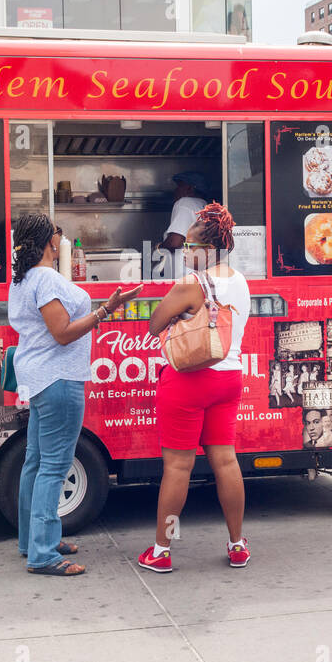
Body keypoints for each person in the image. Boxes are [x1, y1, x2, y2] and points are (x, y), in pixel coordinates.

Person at [9, 214, 139, 577]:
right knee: (53, 467)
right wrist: (105, 311)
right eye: (57, 233)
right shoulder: (46, 279)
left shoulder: (23, 278)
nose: (60, 237)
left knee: (36, 463)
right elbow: (62, 333)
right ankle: (44, 554)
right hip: (58, 379)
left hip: (40, 378)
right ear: (48, 242)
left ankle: (32, 540)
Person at [141, 203, 252, 572]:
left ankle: (161, 551)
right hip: (228, 379)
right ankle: (237, 544)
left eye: (190, 245)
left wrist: (174, 313)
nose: (185, 251)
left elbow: (155, 324)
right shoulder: (240, 281)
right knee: (225, 461)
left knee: (177, 467)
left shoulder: (192, 284)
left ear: (208, 250)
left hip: (189, 380)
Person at [156, 171, 210, 258]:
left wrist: (156, 250)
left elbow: (175, 242)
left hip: (185, 269)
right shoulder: (205, 206)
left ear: (190, 188)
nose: (175, 190)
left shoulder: (186, 203)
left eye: (179, 186)